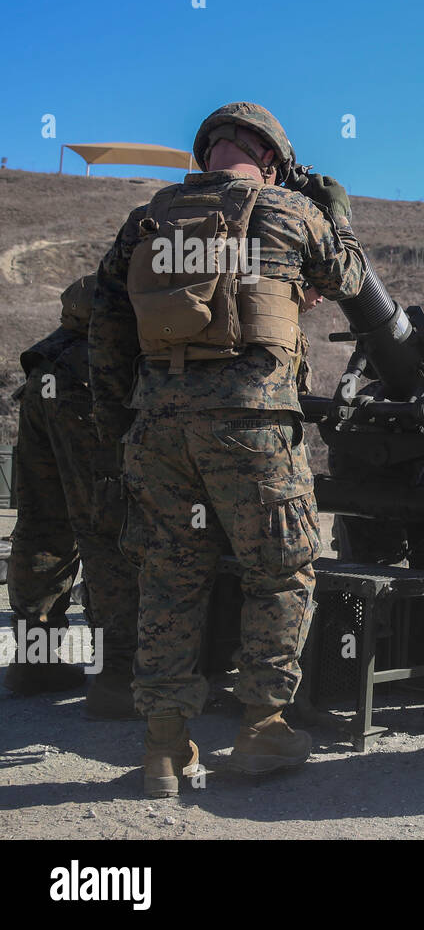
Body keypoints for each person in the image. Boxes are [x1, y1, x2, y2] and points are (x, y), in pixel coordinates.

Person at [89, 102, 365, 797]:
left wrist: (124, 417)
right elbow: (350, 279)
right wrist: (334, 212)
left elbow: (106, 322)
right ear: (269, 159)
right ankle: (262, 724)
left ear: (207, 152)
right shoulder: (285, 211)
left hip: (158, 428)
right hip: (252, 426)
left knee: (169, 574)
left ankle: (163, 746)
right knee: (281, 568)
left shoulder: (147, 220)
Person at [4, 276, 138, 718]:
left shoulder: (110, 277)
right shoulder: (145, 279)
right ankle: (116, 676)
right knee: (104, 524)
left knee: (43, 525)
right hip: (85, 385)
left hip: (47, 379)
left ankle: (34, 663)